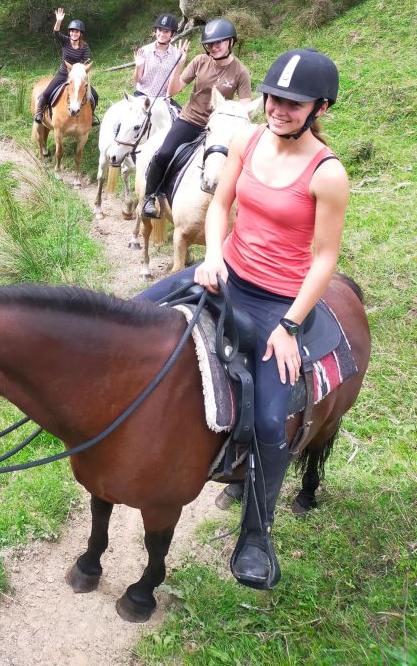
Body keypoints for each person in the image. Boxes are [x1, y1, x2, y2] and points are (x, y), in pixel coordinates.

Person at [138, 48, 346, 590]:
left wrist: (291, 325)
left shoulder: (327, 173)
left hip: (277, 301)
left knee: (272, 422)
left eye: (293, 104)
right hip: (224, 272)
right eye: (275, 98)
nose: (279, 108)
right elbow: (219, 205)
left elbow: (324, 258)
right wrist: (211, 256)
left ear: (318, 107)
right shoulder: (249, 140)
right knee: (133, 315)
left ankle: (256, 534)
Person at [142, 17, 251, 217]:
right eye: (210, 44)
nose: (214, 47)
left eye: (219, 42)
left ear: (231, 42)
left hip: (219, 128)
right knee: (164, 153)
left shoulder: (241, 72)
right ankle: (149, 196)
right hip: (191, 120)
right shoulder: (200, 61)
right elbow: (173, 90)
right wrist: (178, 66)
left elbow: (244, 108)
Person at [33, 7, 97, 123]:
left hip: (77, 77)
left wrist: (75, 72)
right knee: (46, 93)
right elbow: (56, 33)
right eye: (72, 31)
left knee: (94, 96)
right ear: (69, 32)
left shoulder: (85, 47)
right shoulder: (65, 41)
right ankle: (39, 113)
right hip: (63, 73)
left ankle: (91, 117)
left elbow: (84, 63)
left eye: (76, 31)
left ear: (80, 33)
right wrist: (58, 21)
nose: (74, 33)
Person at [133, 13, 183, 99]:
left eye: (166, 31)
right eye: (160, 30)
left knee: (180, 112)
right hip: (143, 96)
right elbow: (137, 80)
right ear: (156, 31)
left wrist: (180, 63)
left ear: (172, 34)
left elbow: (174, 84)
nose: (162, 34)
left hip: (162, 99)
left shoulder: (176, 54)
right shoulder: (145, 50)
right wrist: (138, 66)